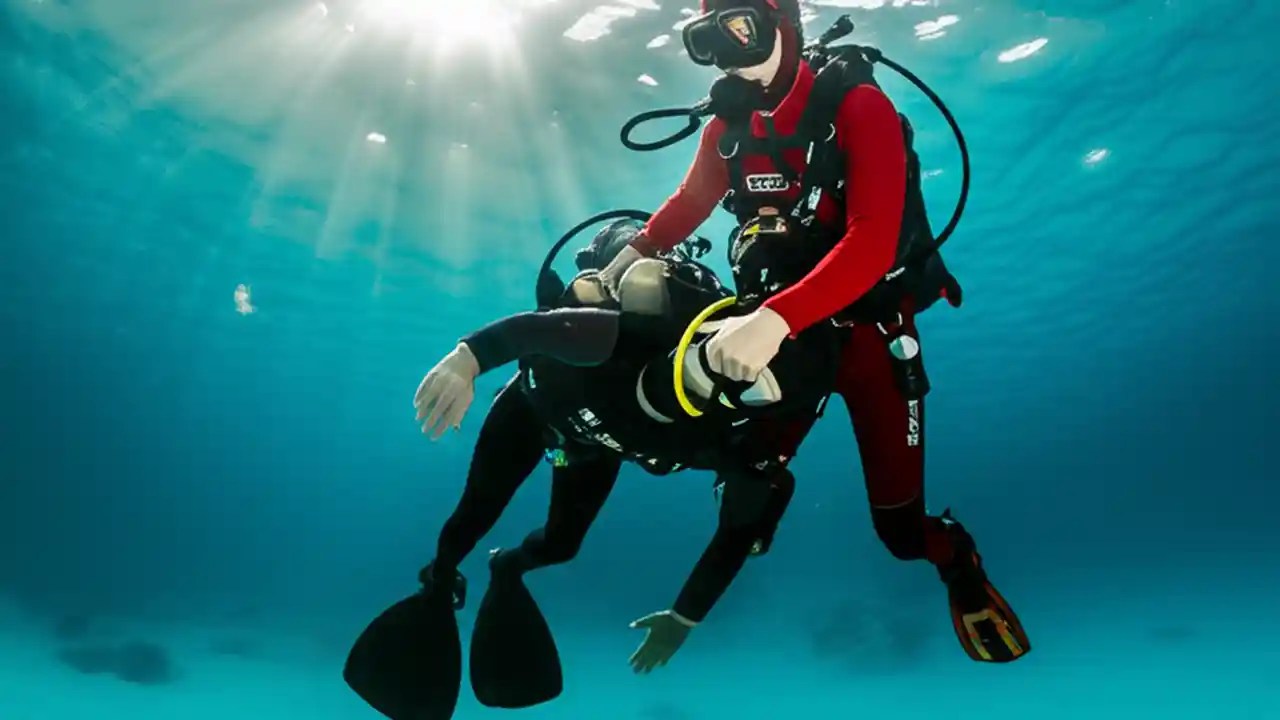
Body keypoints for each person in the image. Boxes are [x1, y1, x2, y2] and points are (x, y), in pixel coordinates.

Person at [597, 0, 1030, 665]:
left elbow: (873, 241)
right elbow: (689, 204)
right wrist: (620, 265)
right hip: (784, 340)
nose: (730, 54)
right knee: (740, 473)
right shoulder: (727, 129)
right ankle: (772, 485)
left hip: (868, 337)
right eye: (708, 40)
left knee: (900, 532)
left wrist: (771, 320)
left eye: (743, 30)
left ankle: (959, 561)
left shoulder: (856, 105)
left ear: (785, 26)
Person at [343, 219, 843, 720]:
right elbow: (535, 330)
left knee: (562, 546)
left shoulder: (731, 439)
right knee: (470, 519)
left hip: (584, 449)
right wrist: (466, 358)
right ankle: (441, 579)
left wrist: (685, 616)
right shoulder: (634, 336)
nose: (719, 385)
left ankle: (506, 567)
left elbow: (737, 530)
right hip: (534, 414)